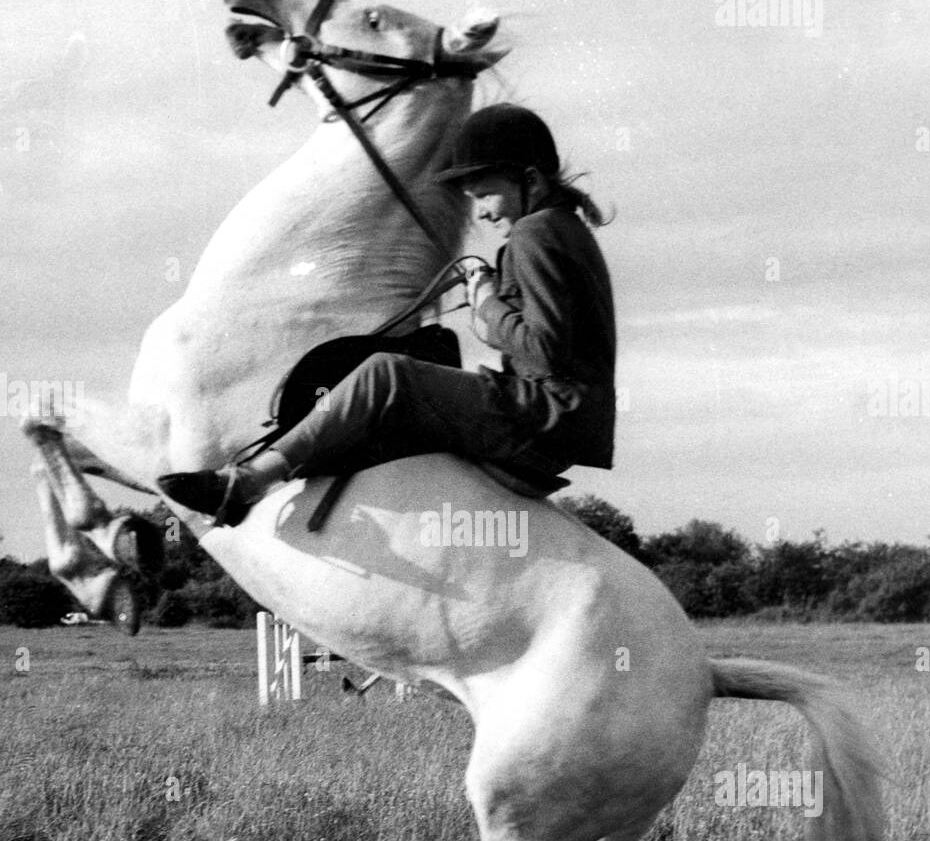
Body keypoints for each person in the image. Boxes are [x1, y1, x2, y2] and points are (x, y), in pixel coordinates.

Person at [158, 104, 617, 526]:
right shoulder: (563, 228)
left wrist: (485, 300)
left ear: (532, 182)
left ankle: (244, 484)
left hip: (547, 416)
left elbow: (544, 347)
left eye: (487, 195)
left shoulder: (534, 232)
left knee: (386, 376)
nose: (481, 211)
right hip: (568, 419)